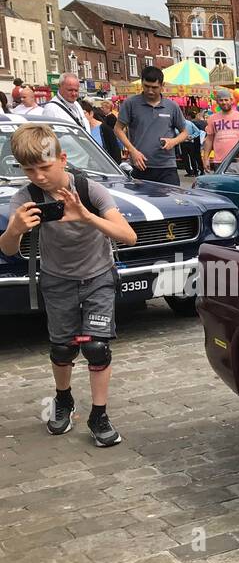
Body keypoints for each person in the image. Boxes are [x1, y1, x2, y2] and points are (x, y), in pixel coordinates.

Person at [0, 122, 138, 446]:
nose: (38, 176)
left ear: (62, 158)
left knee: (97, 347)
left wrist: (86, 216)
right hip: (57, 280)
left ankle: (99, 414)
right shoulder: (26, 197)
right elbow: (7, 249)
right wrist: (15, 229)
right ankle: (64, 398)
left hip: (98, 276)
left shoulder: (89, 190)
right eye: (28, 169)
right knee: (63, 348)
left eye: (44, 167)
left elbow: (128, 236)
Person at [114, 66, 188, 186]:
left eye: (154, 87)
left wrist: (173, 141)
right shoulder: (131, 104)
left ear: (162, 85)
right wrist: (132, 151)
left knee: (171, 203)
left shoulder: (172, 106)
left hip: (167, 167)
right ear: (141, 83)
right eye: (146, 86)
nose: (150, 91)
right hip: (140, 165)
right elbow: (117, 129)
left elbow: (185, 133)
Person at [205, 88, 239, 172]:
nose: (224, 102)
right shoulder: (212, 118)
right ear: (217, 102)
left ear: (231, 100)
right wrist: (205, 158)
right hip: (220, 161)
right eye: (221, 100)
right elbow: (209, 139)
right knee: (222, 185)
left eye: (226, 100)